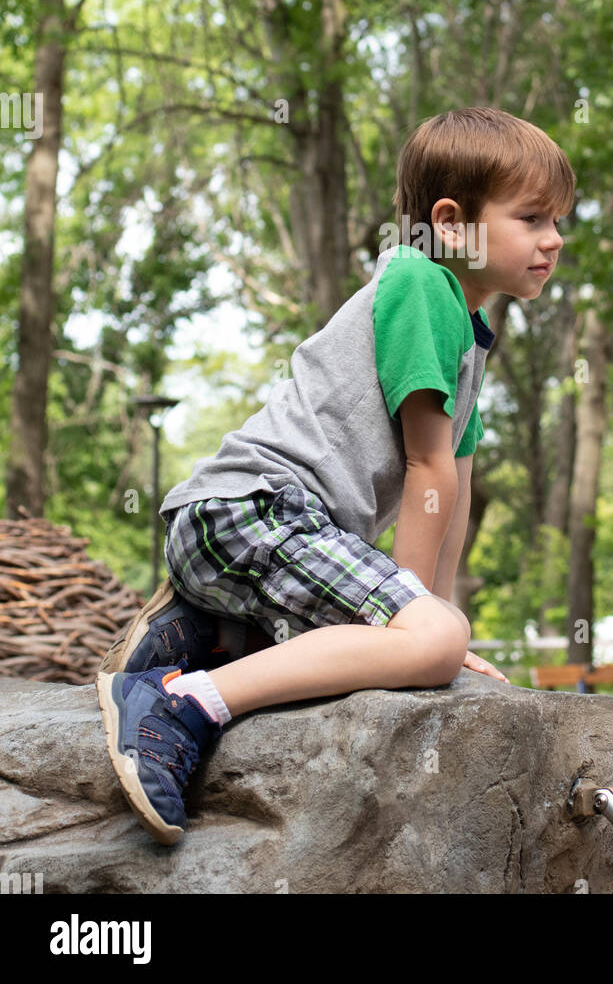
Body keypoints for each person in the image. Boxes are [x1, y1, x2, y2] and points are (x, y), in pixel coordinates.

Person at [97, 106, 575, 844]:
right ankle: (181, 700)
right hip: (253, 511)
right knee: (429, 637)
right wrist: (419, 625)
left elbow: (456, 490)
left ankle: (205, 631)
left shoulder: (471, 335)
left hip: (264, 531)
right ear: (452, 223)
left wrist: (432, 629)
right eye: (534, 218)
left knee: (432, 638)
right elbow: (426, 468)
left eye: (559, 221)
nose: (554, 239)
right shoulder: (421, 282)